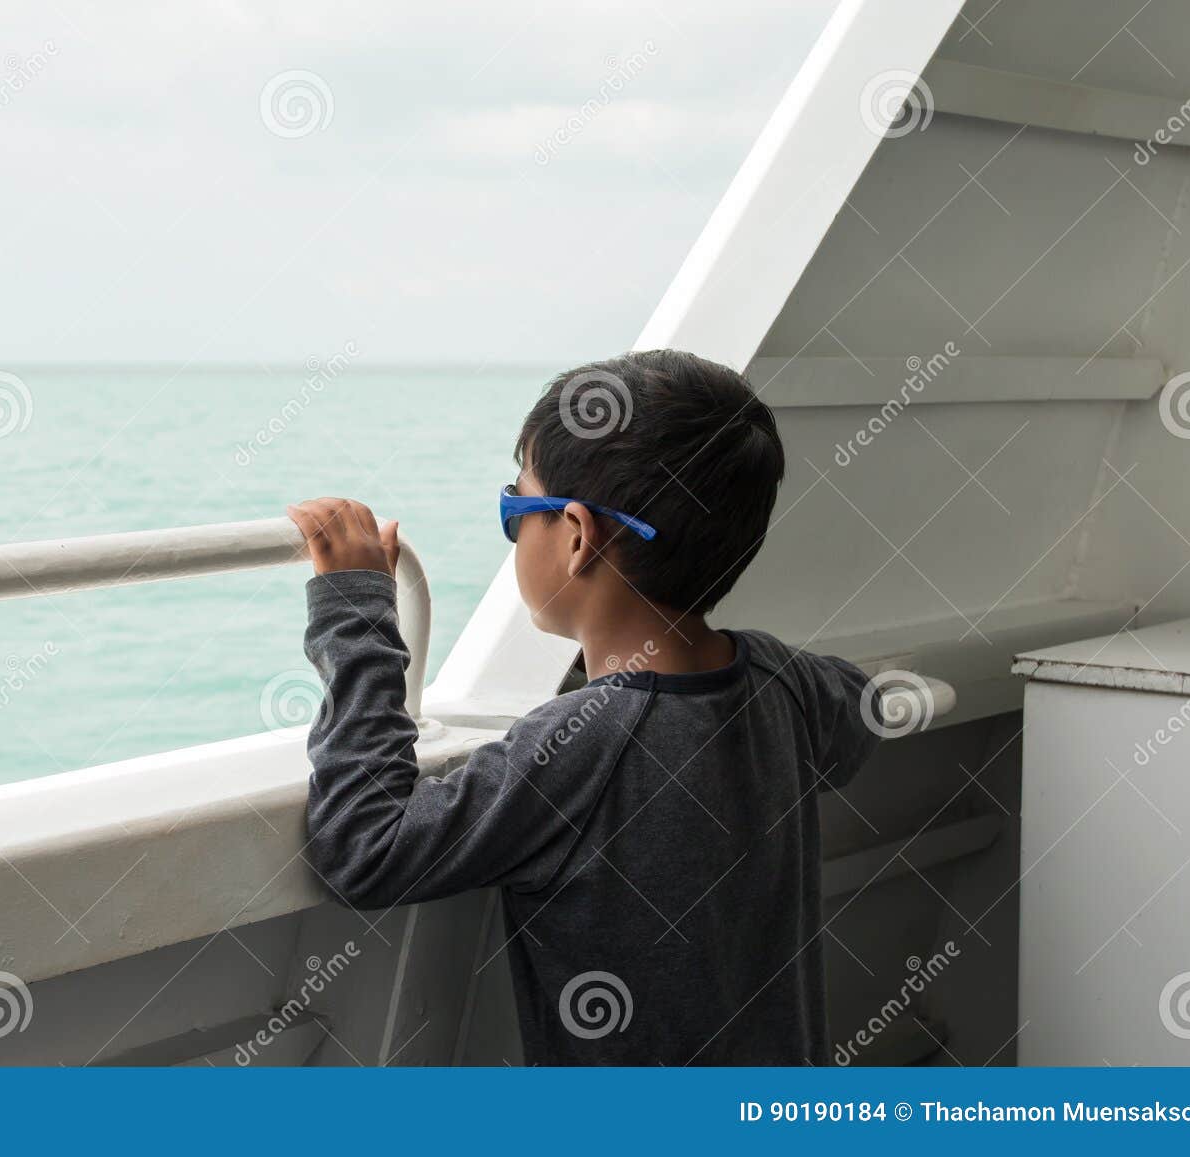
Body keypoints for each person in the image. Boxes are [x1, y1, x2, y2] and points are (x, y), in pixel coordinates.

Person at [285, 349, 883, 1065]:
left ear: (575, 536)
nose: (512, 528)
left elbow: (364, 848)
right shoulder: (789, 685)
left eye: (515, 508)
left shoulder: (579, 745)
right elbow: (861, 712)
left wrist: (359, 612)